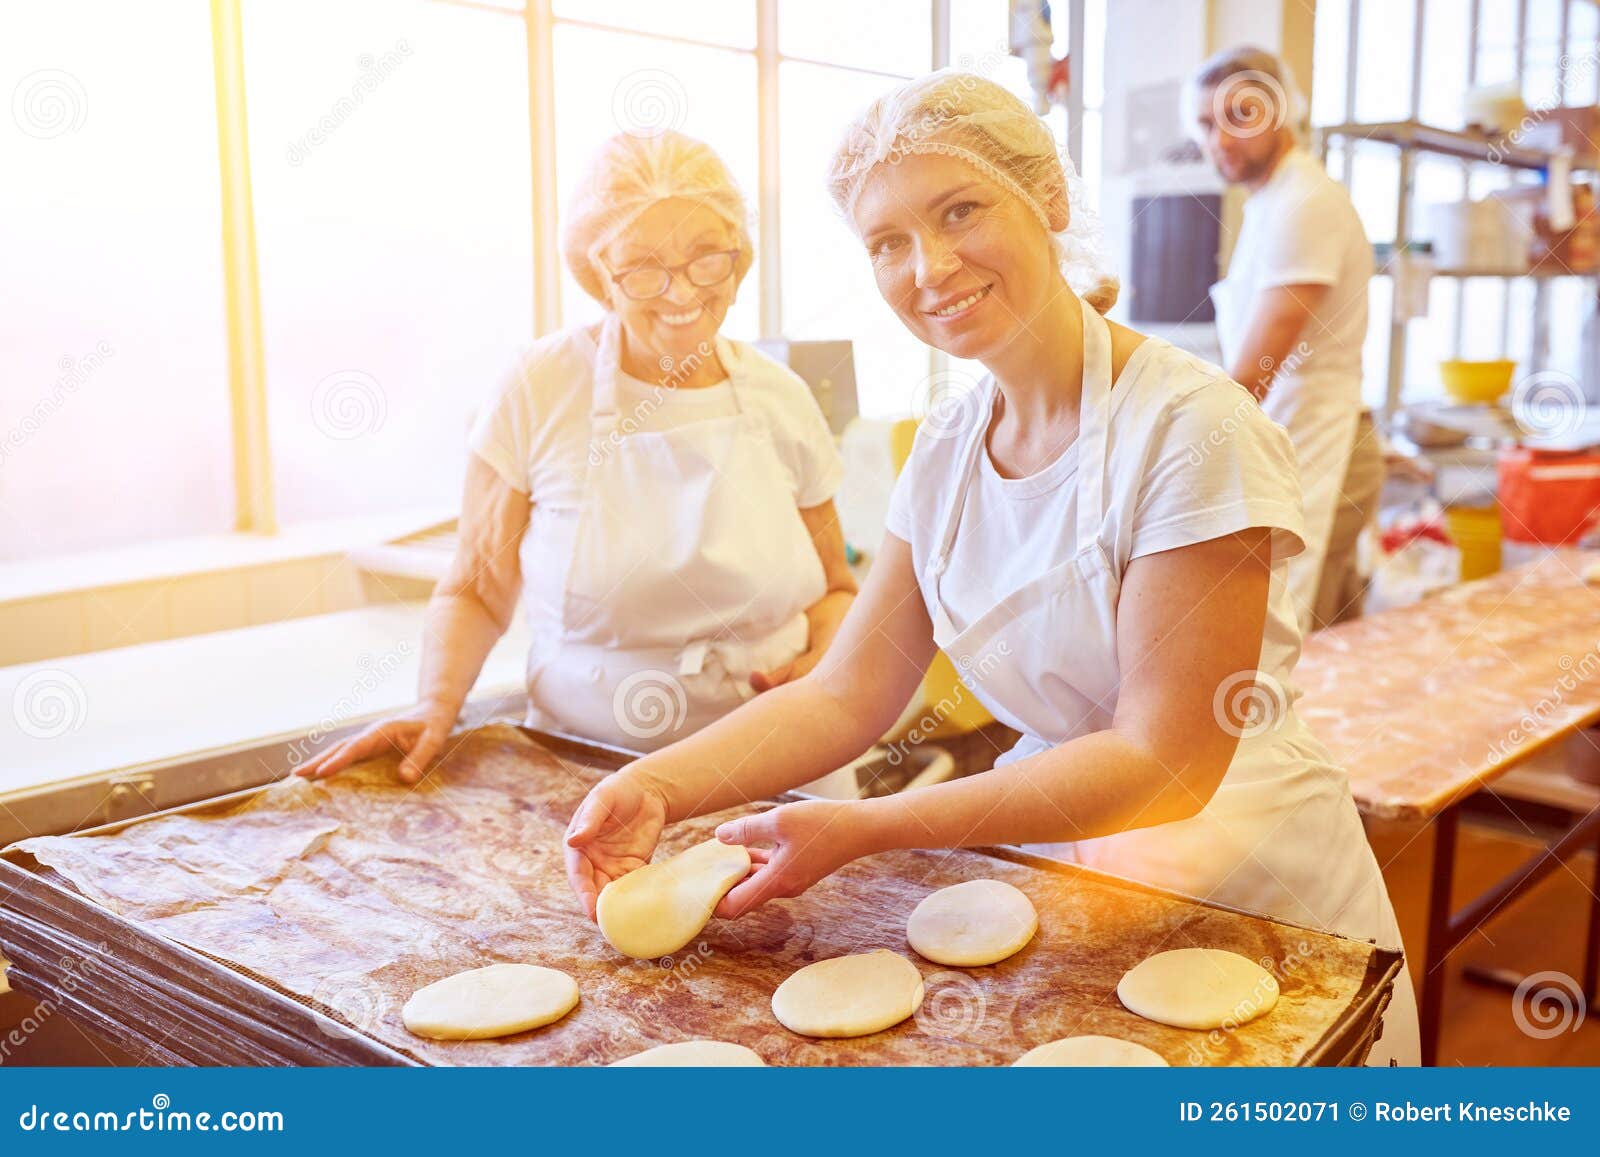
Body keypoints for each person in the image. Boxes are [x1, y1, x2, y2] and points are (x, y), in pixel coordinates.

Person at [563, 72, 1419, 1065]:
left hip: (1252, 893)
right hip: (1062, 887)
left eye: (959, 210)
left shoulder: (1190, 429)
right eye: (887, 242)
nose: (928, 266)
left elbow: (1164, 759)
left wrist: (866, 825)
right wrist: (659, 784)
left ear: (1046, 197)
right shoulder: (948, 447)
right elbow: (846, 693)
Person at [298, 131, 855, 779]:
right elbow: (478, 588)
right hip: (589, 773)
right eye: (643, 266)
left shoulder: (781, 396)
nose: (681, 293)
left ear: (740, 257)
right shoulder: (540, 386)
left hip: (781, 770)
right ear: (599, 276)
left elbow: (838, 591)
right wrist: (435, 705)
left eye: (707, 256)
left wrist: (826, 657)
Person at [1185, 46, 1377, 633]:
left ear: (1282, 110)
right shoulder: (1271, 202)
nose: (1220, 138)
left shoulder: (1306, 203)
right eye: (1206, 123)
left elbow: (1256, 370)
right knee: (1296, 638)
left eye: (1240, 116)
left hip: (1325, 441)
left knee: (1290, 637)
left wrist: (1182, 450)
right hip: (1291, 438)